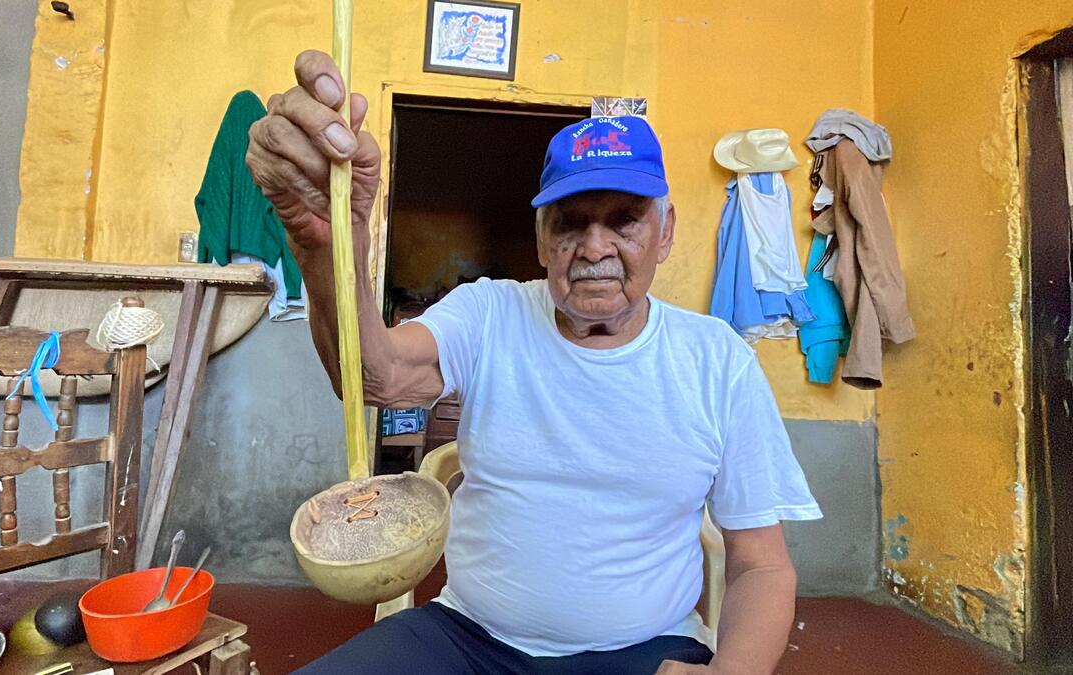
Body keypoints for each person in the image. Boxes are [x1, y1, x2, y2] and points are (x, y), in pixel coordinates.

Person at [246, 50, 822, 675]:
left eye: (625, 220)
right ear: (543, 239)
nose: (595, 247)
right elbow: (374, 376)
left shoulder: (717, 360)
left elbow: (761, 563)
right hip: (466, 638)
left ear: (666, 229)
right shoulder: (490, 312)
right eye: (570, 224)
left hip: (643, 651)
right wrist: (327, 245)